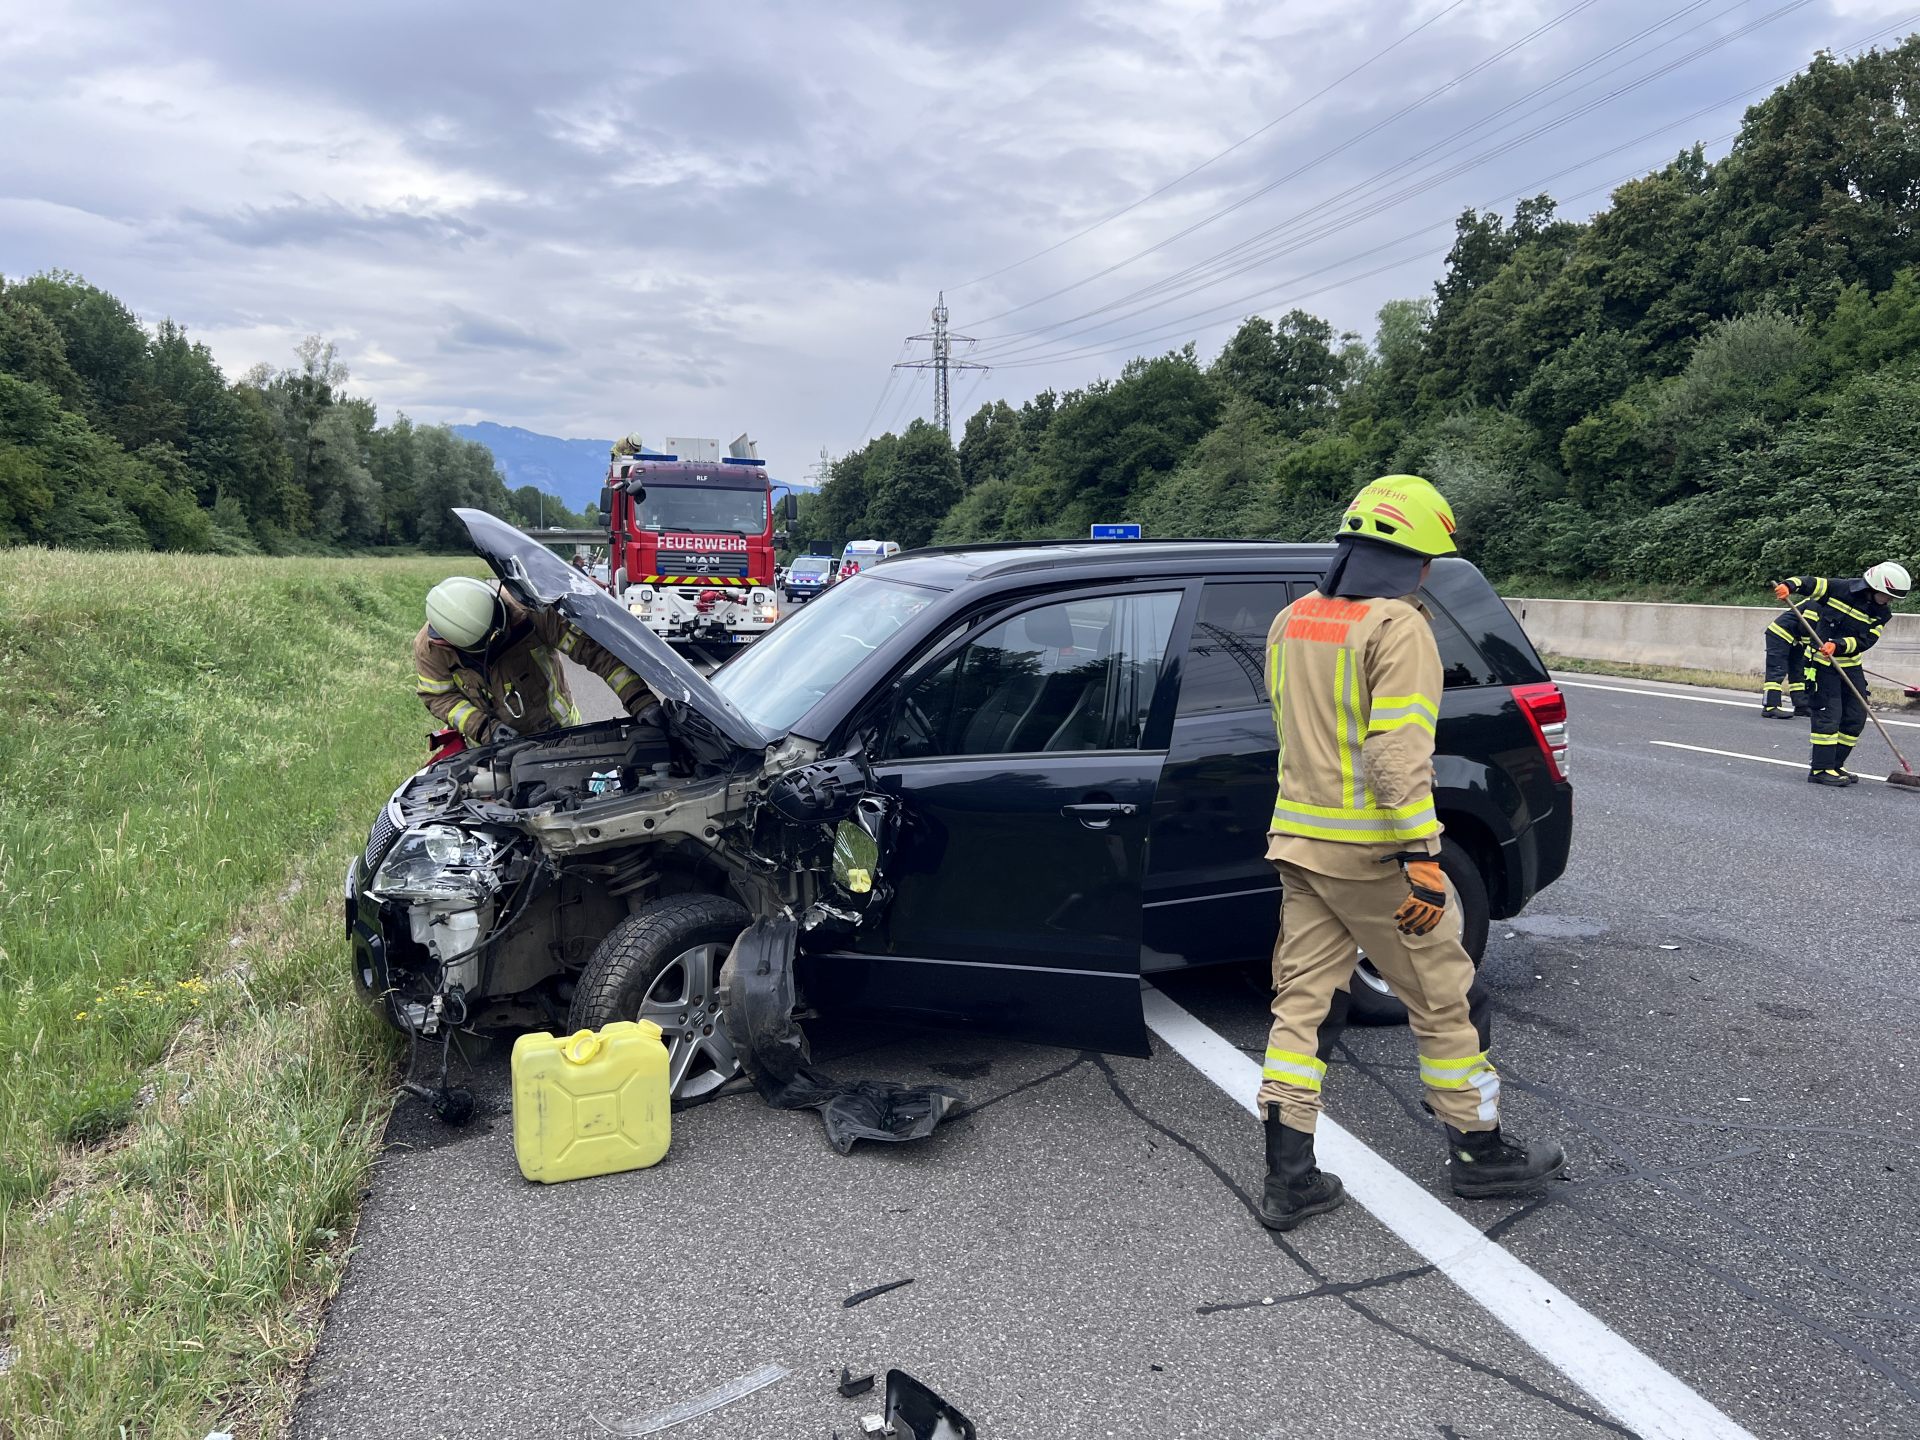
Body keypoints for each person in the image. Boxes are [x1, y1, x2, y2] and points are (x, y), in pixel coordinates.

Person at [1254, 475, 1564, 1231]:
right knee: (1447, 1000)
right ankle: (1481, 1155)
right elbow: (1396, 752)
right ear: (1415, 559)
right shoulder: (1398, 627)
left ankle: (1287, 1180)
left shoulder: (1293, 619)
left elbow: (1289, 724)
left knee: (1302, 1008)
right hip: (1376, 857)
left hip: (1300, 846)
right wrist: (1424, 855)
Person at [414, 576, 653, 745]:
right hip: (494, 747)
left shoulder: (532, 612)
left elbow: (597, 653)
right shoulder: (431, 649)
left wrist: (640, 700)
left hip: (562, 733)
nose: (502, 637)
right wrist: (484, 728)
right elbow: (439, 696)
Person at [1773, 563, 1911, 785]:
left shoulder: (1882, 613)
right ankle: (1820, 770)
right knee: (1829, 714)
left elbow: (1866, 640)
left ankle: (1836, 765)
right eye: (1886, 595)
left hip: (1849, 664)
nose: (1888, 601)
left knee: (1856, 716)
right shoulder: (1839, 588)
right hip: (1820, 664)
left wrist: (1838, 646)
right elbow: (1810, 583)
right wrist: (1789, 585)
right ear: (1872, 587)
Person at [1759, 600, 1816, 720]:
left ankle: (1801, 705)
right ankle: (1770, 707)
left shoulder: (1826, 607)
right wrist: (1809, 647)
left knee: (1798, 671)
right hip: (1779, 634)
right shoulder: (1816, 603)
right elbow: (1805, 627)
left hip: (1795, 639)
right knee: (1777, 670)